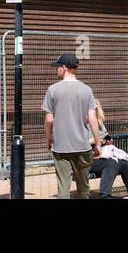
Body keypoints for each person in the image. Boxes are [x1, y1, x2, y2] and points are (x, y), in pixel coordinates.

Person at [42, 52, 101, 199]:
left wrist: (48, 140)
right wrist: (98, 143)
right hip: (82, 146)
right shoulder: (87, 90)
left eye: (57, 67)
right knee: (83, 187)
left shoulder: (53, 90)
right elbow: (93, 119)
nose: (56, 70)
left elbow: (49, 120)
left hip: (61, 146)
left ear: (64, 67)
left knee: (63, 186)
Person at [88, 104, 128, 199]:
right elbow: (82, 143)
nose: (95, 111)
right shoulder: (82, 123)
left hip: (104, 153)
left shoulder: (99, 122)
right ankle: (104, 195)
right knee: (112, 163)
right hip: (89, 158)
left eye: (96, 109)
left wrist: (108, 139)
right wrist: (96, 141)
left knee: (124, 163)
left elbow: (107, 135)